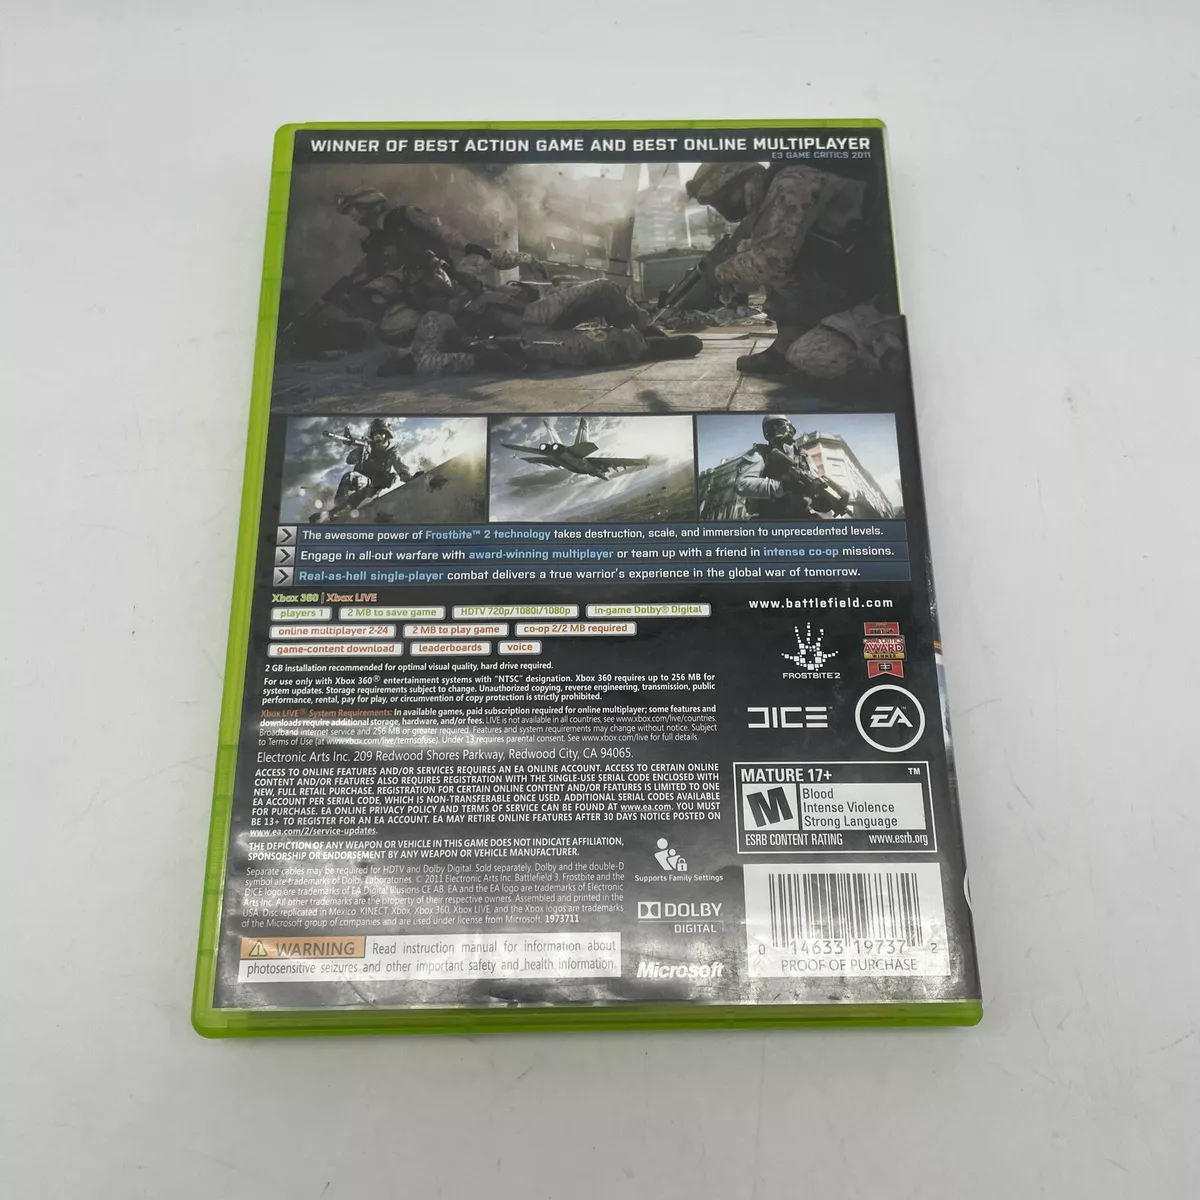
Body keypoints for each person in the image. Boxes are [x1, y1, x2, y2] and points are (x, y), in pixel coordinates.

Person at [685, 162, 906, 384]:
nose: (722, 211)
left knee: (812, 355)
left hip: (892, 296)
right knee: (773, 269)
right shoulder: (769, 201)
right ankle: (784, 345)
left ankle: (899, 367)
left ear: (735, 186)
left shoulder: (790, 184)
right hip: (858, 284)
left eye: (719, 202)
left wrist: (719, 274)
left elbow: (771, 260)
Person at [731, 415, 851, 519]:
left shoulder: (804, 456)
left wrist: (827, 502)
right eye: (769, 428)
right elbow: (741, 484)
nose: (774, 429)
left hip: (801, 516)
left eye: (778, 425)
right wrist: (784, 486)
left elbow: (815, 496)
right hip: (770, 517)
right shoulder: (760, 453)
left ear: (790, 427)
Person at [317, 419, 421, 520]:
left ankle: (340, 511)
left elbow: (402, 470)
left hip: (377, 486)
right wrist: (359, 450)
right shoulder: (367, 448)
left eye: (380, 433)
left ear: (387, 434)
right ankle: (338, 510)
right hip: (364, 483)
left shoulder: (391, 453)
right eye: (375, 434)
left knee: (390, 480)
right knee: (349, 479)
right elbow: (349, 460)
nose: (377, 436)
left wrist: (413, 479)